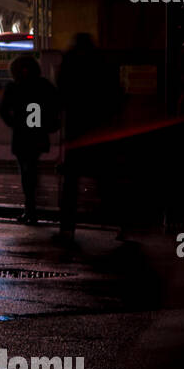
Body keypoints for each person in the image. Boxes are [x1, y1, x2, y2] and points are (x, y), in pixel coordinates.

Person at [57, 33, 123, 242]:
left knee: (70, 184)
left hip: (76, 131)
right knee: (106, 181)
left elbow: (62, 96)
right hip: (100, 130)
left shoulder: (69, 64)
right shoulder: (103, 64)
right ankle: (122, 223)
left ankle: (67, 227)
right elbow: (116, 97)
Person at [0, 55, 59, 224]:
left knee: (25, 170)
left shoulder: (13, 86)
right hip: (38, 132)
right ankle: (32, 207)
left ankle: (30, 208)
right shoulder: (44, 85)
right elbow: (55, 104)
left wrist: (14, 123)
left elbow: (3, 110)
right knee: (32, 166)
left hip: (21, 133)